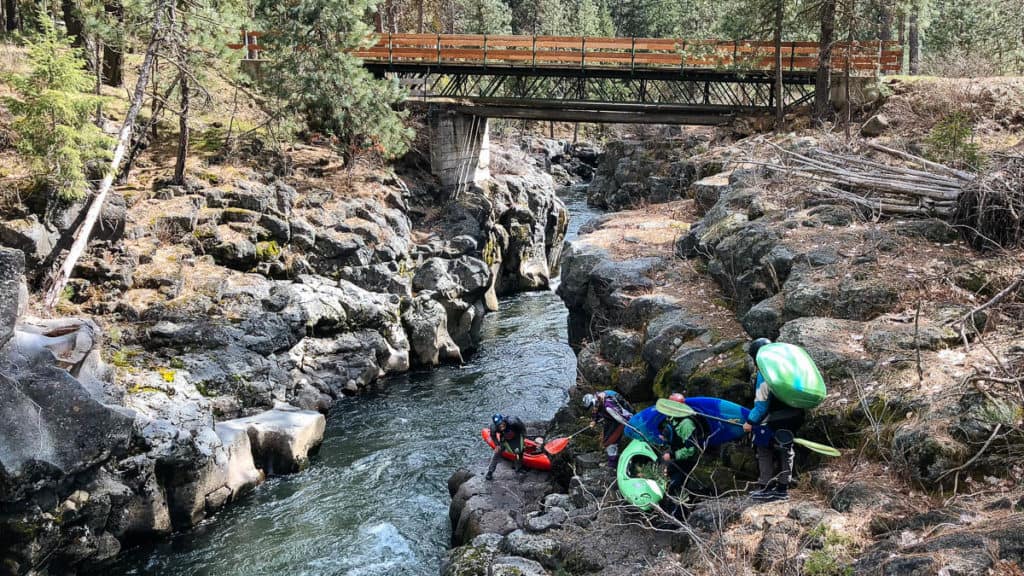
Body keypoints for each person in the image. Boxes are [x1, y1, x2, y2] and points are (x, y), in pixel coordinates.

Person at [742, 338, 806, 502]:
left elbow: (761, 406)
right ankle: (783, 489)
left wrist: (750, 422)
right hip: (795, 416)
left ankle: (766, 487)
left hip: (773, 419)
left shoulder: (765, 374)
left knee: (764, 450)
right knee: (786, 450)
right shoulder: (789, 368)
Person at [583, 390, 635, 467]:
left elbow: (623, 416)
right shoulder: (598, 399)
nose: (592, 410)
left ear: (594, 401)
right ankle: (613, 458)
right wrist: (594, 420)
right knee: (605, 439)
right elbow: (596, 411)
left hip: (621, 420)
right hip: (611, 419)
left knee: (609, 442)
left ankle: (613, 464)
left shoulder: (609, 406)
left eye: (592, 407)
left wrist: (633, 426)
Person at [486, 413, 527, 480]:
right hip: (505, 437)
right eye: (499, 426)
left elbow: (522, 428)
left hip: (516, 435)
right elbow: (493, 435)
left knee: (519, 451)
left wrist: (523, 439)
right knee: (497, 452)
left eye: (502, 424)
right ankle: (490, 471)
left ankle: (518, 468)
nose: (501, 426)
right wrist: (497, 445)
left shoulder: (513, 422)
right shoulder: (493, 427)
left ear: (504, 420)